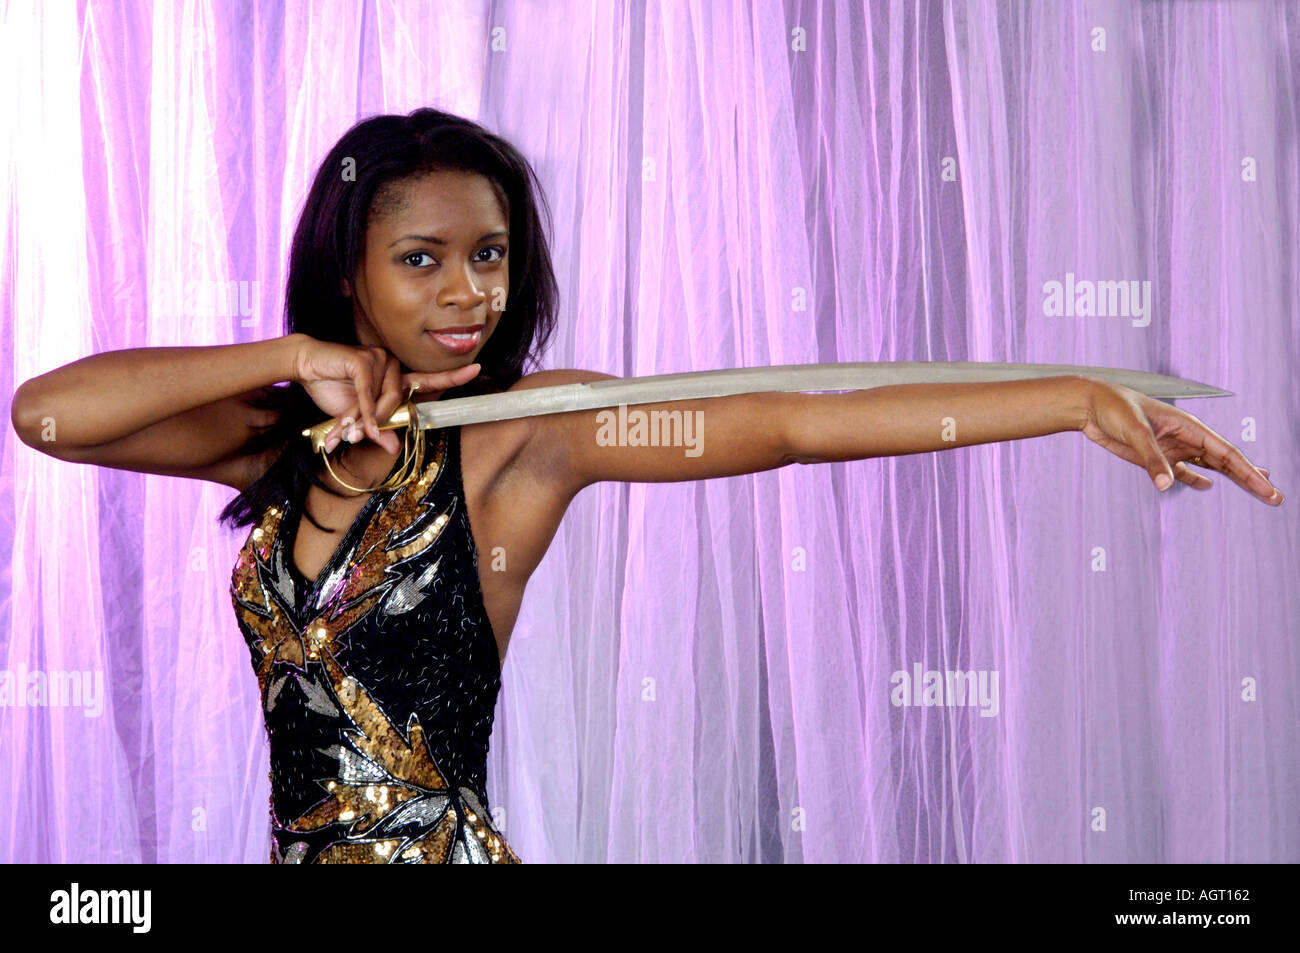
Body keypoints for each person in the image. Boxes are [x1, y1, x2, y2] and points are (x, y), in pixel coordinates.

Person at [8, 108, 1283, 865]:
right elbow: (48, 412)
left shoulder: (532, 432)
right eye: (424, 259)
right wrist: (292, 361)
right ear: (351, 274)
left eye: (491, 255)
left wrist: (1064, 399)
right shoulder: (275, 446)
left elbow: (784, 420)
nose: (471, 294)